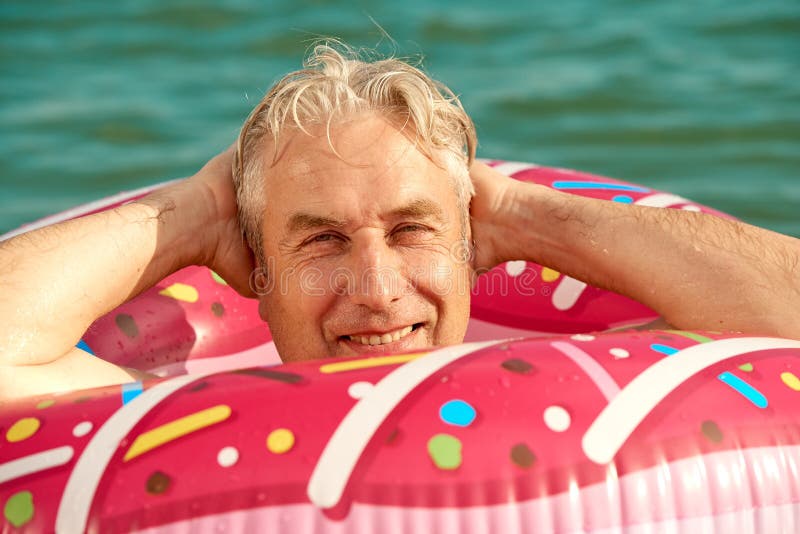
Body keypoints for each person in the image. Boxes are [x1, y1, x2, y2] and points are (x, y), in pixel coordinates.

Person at [1, 43, 798, 400]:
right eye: (320, 239)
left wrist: (525, 214)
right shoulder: (182, 410)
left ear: (470, 247)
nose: (378, 293)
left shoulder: (577, 390)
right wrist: (194, 212)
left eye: (414, 230)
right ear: (258, 274)